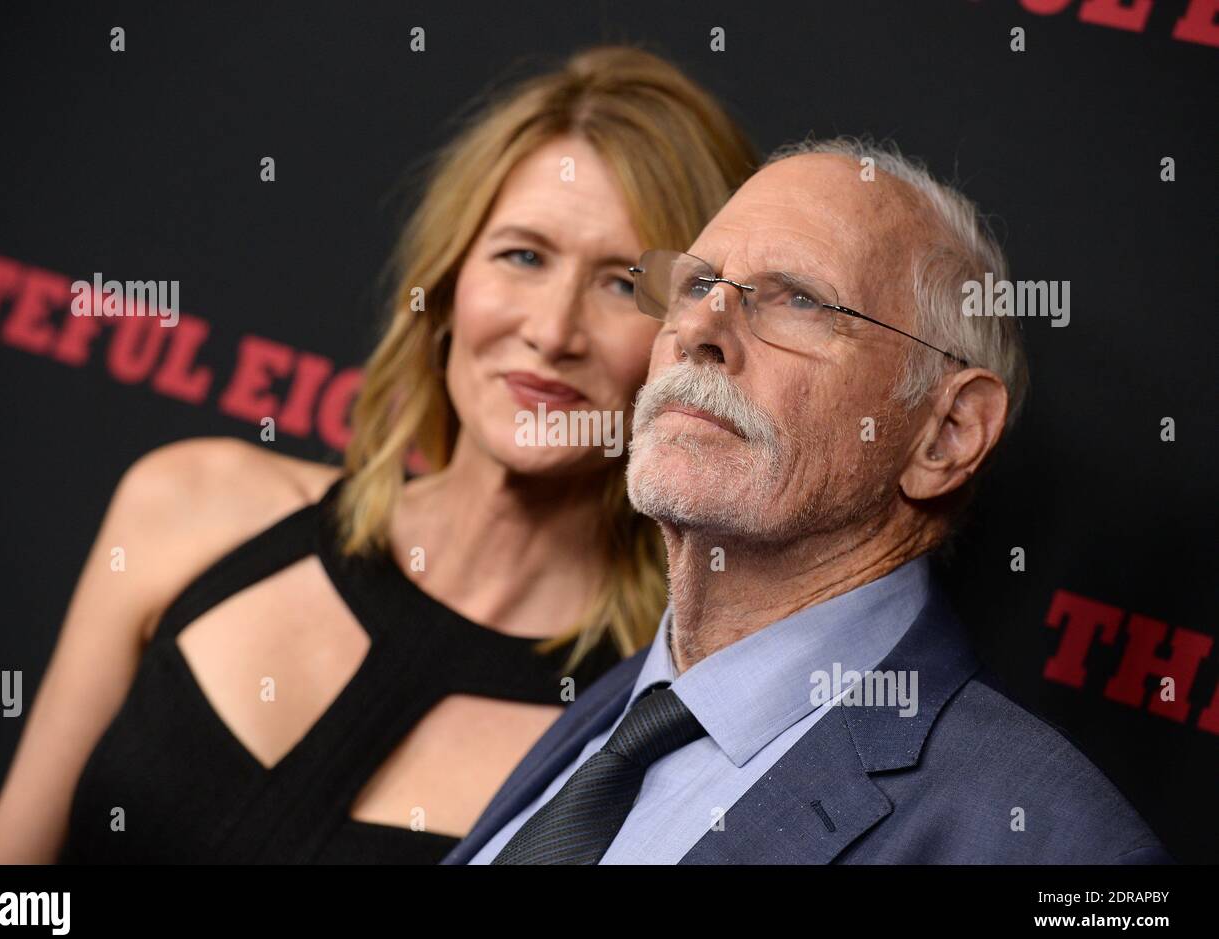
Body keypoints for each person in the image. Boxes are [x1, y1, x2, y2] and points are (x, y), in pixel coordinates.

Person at [0, 46, 759, 864]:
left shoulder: (633, 728)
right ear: (447, 285)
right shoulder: (191, 505)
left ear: (687, 343)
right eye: (522, 255)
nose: (553, 331)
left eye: (624, 285)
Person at [447, 136, 1173, 865]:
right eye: (696, 284)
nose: (698, 330)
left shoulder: (1054, 844)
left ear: (945, 435)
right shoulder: (617, 710)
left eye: (798, 299)